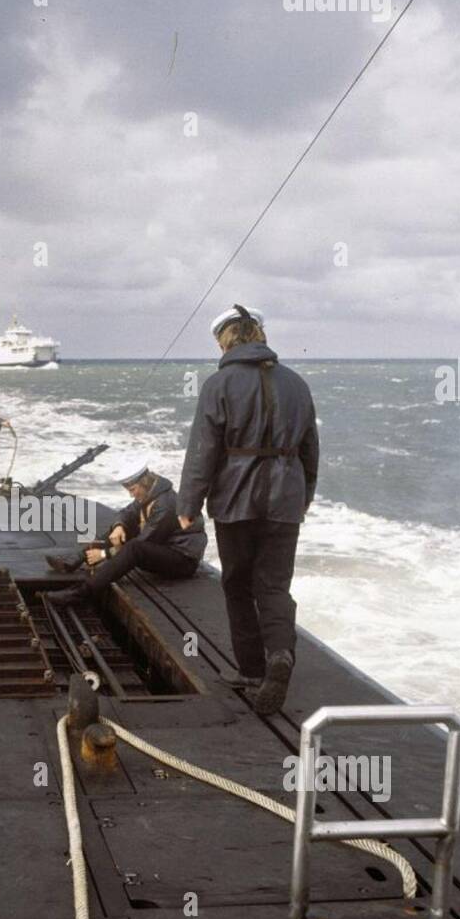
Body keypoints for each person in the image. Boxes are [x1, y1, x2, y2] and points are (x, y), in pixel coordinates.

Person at [177, 304, 319, 715]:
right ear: (259, 334)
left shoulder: (219, 384)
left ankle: (253, 671)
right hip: (285, 503)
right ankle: (281, 655)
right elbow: (310, 449)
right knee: (274, 586)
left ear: (224, 340)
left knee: (238, 586)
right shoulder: (297, 384)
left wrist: (189, 504)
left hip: (236, 502)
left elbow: (203, 451)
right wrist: (304, 495)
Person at [46, 462, 206, 603]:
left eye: (133, 489)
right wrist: (119, 526)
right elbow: (127, 513)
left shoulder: (166, 504)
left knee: (134, 548)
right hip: (166, 547)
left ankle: (80, 593)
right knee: (123, 528)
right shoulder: (151, 493)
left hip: (182, 560)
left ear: (144, 482)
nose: (131, 495)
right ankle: (75, 559)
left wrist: (103, 554)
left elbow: (146, 541)